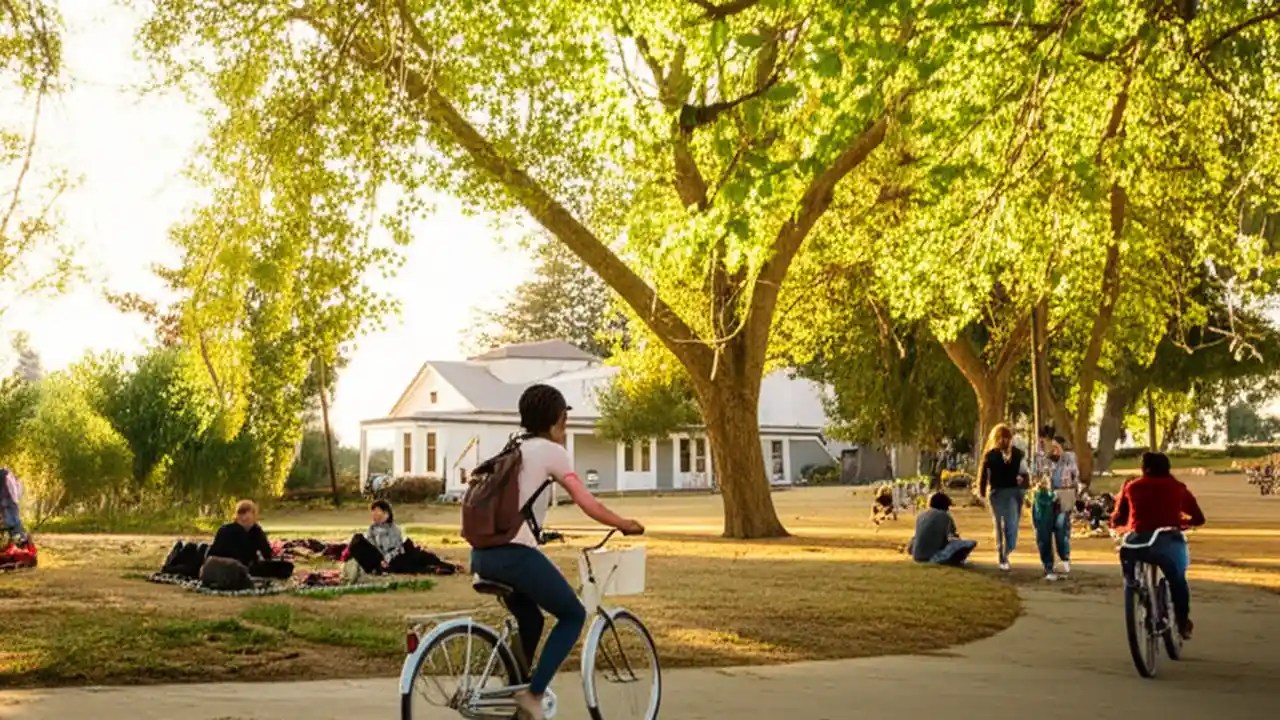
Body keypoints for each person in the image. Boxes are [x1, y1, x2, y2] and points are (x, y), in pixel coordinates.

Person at [469, 384, 644, 720]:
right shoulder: (552, 452)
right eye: (564, 419)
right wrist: (623, 523)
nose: (566, 426)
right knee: (573, 614)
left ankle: (514, 689)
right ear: (556, 420)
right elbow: (587, 501)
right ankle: (533, 696)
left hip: (482, 555)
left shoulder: (514, 448)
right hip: (514, 557)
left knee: (532, 618)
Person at [1110, 452, 1206, 640]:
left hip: (1138, 543)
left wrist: (1120, 524)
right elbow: (1199, 518)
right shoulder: (1177, 488)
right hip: (1167, 542)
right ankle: (1182, 622)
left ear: (1144, 469)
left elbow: (1118, 518)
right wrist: (1183, 524)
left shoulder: (1132, 487)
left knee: (1129, 563)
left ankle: (1136, 588)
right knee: (1178, 580)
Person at [978, 423, 1029, 571]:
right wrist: (981, 493)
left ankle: (1009, 548)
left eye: (1006, 438)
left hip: (1013, 493)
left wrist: (1024, 485)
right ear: (995, 439)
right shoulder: (990, 456)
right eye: (1000, 438)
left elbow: (1025, 474)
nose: (1003, 441)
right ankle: (1002, 555)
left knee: (1011, 525)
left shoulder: (1018, 454)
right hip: (997, 493)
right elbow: (983, 476)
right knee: (999, 525)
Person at [207, 500, 294, 579]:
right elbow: (213, 555)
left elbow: (267, 553)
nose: (245, 518)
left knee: (284, 566)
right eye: (243, 515)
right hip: (232, 568)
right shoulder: (226, 530)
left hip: (240, 567)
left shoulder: (256, 531)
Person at [907, 492, 976, 566]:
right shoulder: (945, 516)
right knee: (970, 543)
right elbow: (953, 536)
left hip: (917, 556)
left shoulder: (921, 515)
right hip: (932, 556)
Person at [0, 468, 27, 542]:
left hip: (6, 501)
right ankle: (19, 539)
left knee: (11, 521)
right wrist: (15, 500)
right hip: (9, 501)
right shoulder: (7, 474)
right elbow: (15, 488)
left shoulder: (5, 474)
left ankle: (19, 539)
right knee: (13, 521)